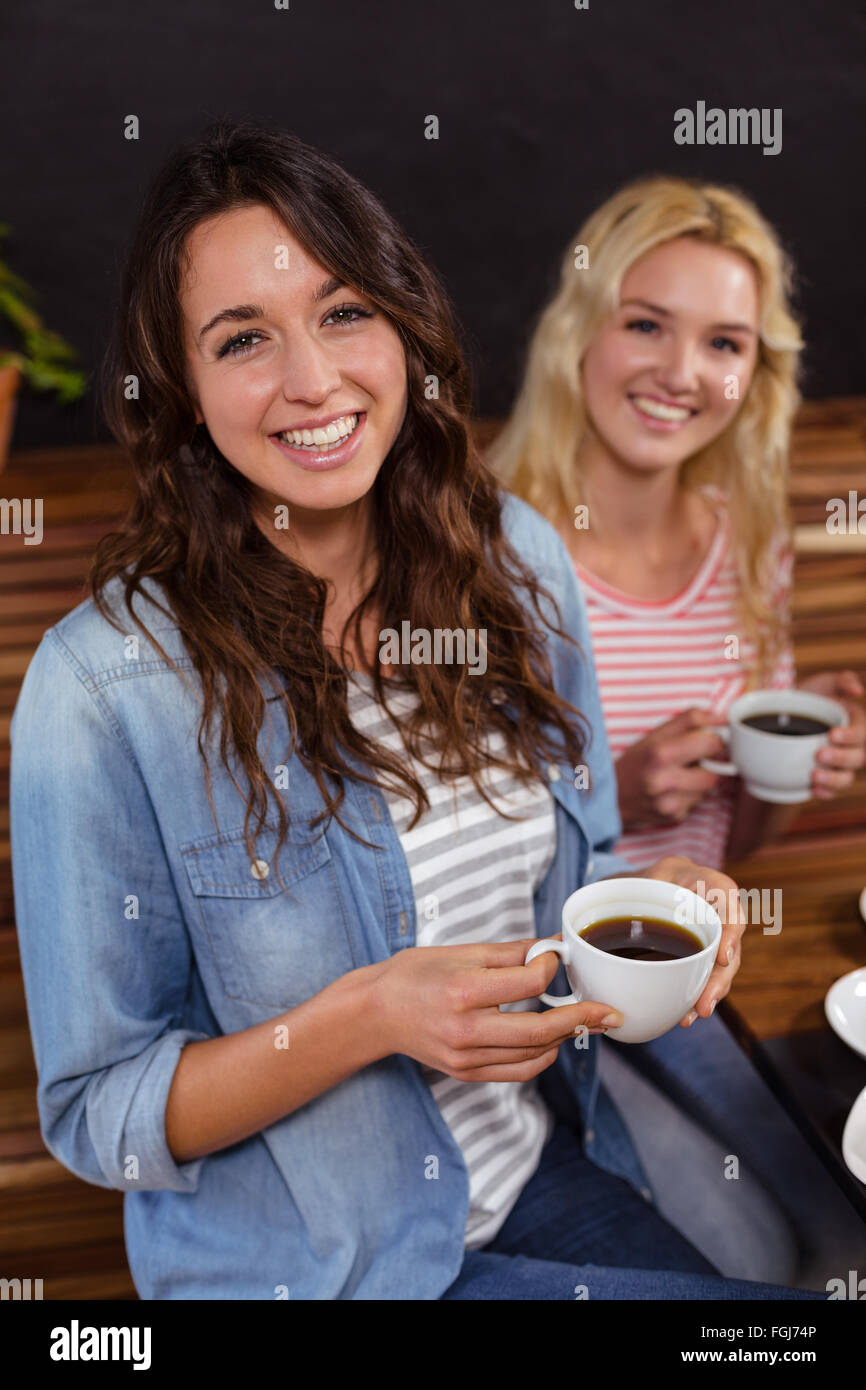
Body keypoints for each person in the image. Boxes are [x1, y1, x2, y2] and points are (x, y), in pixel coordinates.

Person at [9, 124, 821, 1300]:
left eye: (343, 312)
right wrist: (367, 1015)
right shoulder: (102, 688)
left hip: (545, 1169)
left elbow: (572, 887)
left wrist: (675, 902)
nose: (312, 379)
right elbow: (99, 1117)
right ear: (181, 394)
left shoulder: (520, 563)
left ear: (402, 323)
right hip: (323, 1269)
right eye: (243, 339)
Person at [487, 175, 866, 1284]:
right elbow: (433, 854)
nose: (679, 372)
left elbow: (729, 847)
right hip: (543, 984)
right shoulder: (487, 550)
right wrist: (612, 793)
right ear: (579, 330)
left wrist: (804, 771)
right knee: (753, 1257)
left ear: (754, 374)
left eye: (722, 342)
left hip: (696, 968)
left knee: (842, 1243)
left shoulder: (742, 538)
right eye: (644, 323)